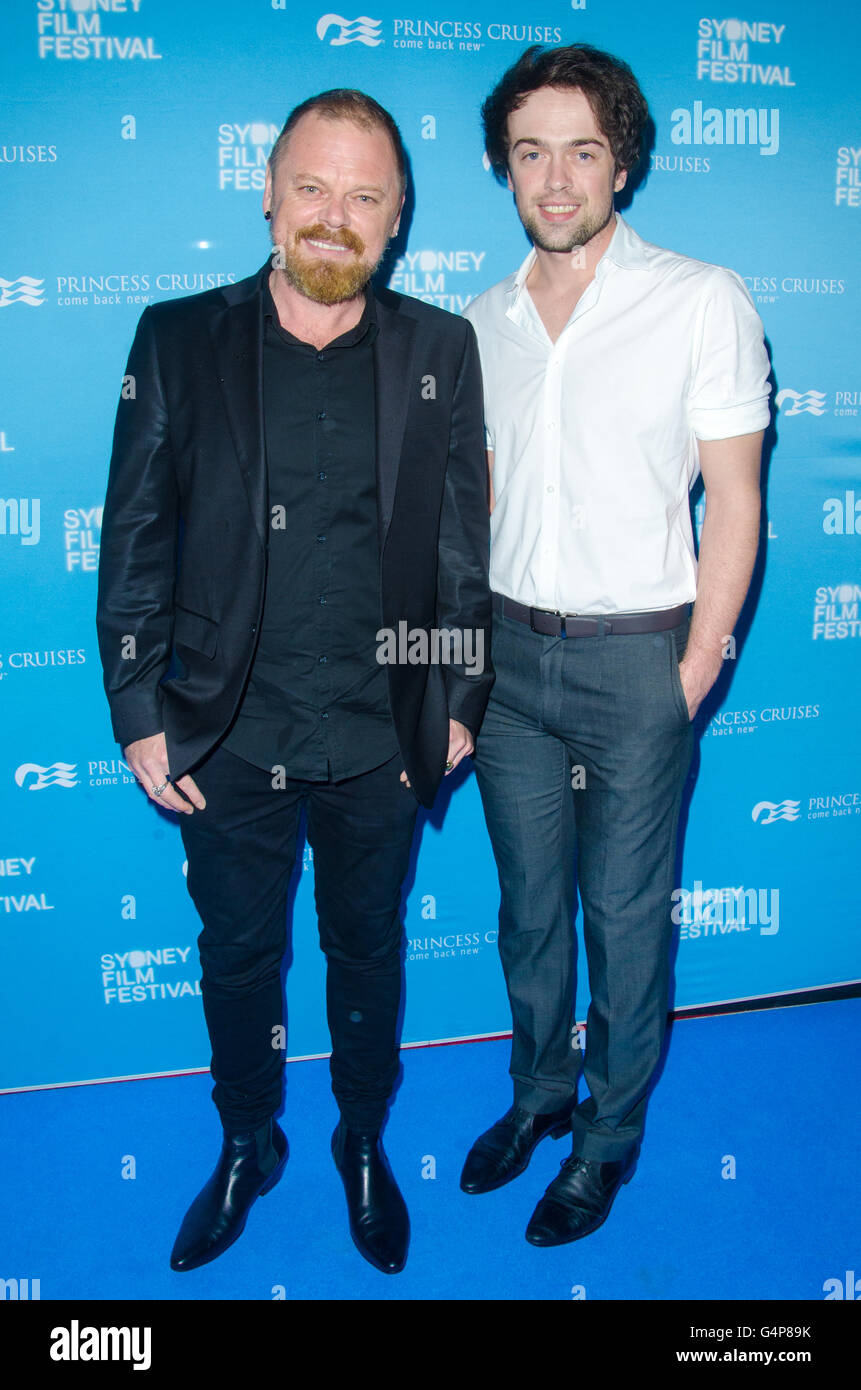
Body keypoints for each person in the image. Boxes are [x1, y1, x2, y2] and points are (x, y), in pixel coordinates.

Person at [96, 88, 492, 1276]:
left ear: (397, 216)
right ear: (267, 195)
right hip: (224, 732)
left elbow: (461, 548)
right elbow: (136, 540)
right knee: (238, 955)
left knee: (368, 950)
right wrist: (135, 709)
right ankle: (247, 1138)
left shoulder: (439, 349)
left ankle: (360, 1139)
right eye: (311, 188)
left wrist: (457, 699)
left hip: (383, 734)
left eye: (364, 195)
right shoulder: (177, 339)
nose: (335, 215)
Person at [460, 44, 770, 1244]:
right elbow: (473, 510)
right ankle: (538, 1094)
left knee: (624, 917)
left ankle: (607, 1137)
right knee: (528, 906)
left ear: (622, 163)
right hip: (506, 661)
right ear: (502, 164)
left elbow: (735, 501)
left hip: (641, 655)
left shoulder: (701, 298)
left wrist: (694, 667)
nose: (555, 176)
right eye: (531, 150)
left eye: (582, 149)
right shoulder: (478, 323)